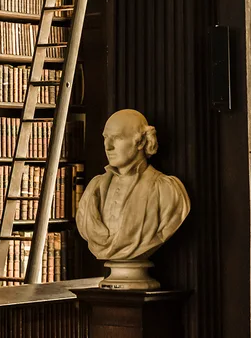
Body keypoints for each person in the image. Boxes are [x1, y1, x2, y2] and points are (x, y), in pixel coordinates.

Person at [76, 109, 190, 261]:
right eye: (105, 138)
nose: (108, 146)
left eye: (117, 138)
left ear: (141, 142)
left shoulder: (166, 190)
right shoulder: (94, 188)